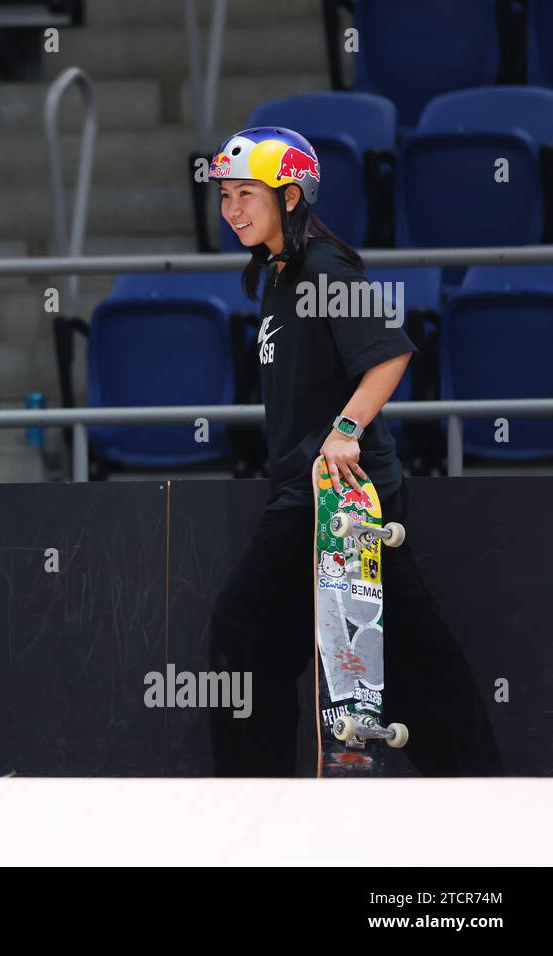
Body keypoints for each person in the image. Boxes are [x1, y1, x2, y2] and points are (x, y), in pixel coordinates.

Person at [205, 126, 501, 776]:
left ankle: (481, 785)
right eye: (226, 196)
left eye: (246, 194)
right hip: (311, 502)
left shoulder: (322, 268)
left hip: (343, 504)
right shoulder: (278, 275)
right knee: (369, 656)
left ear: (290, 195)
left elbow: (390, 354)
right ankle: (477, 778)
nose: (232, 209)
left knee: (245, 631)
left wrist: (346, 427)